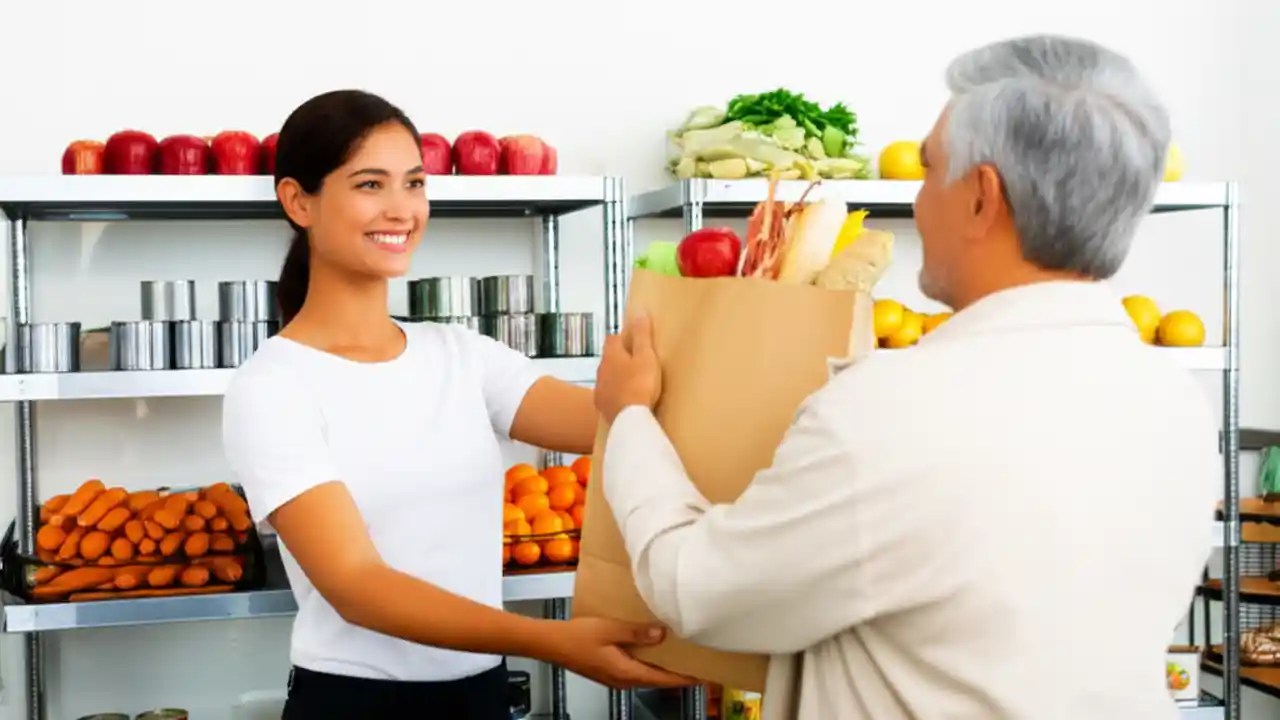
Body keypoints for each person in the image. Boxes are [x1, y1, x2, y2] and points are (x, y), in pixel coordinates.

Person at [593, 35, 1219, 720]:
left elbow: (698, 592)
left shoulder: (890, 411)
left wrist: (629, 419)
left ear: (982, 197)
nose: (918, 202)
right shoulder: (1177, 404)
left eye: (928, 173)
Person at [220, 89, 688, 719]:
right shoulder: (272, 385)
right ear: (298, 201)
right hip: (355, 704)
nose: (401, 209)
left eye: (414, 183)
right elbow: (358, 587)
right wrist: (552, 642)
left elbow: (610, 425)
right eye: (369, 184)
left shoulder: (460, 355)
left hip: (481, 696)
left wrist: (701, 332)